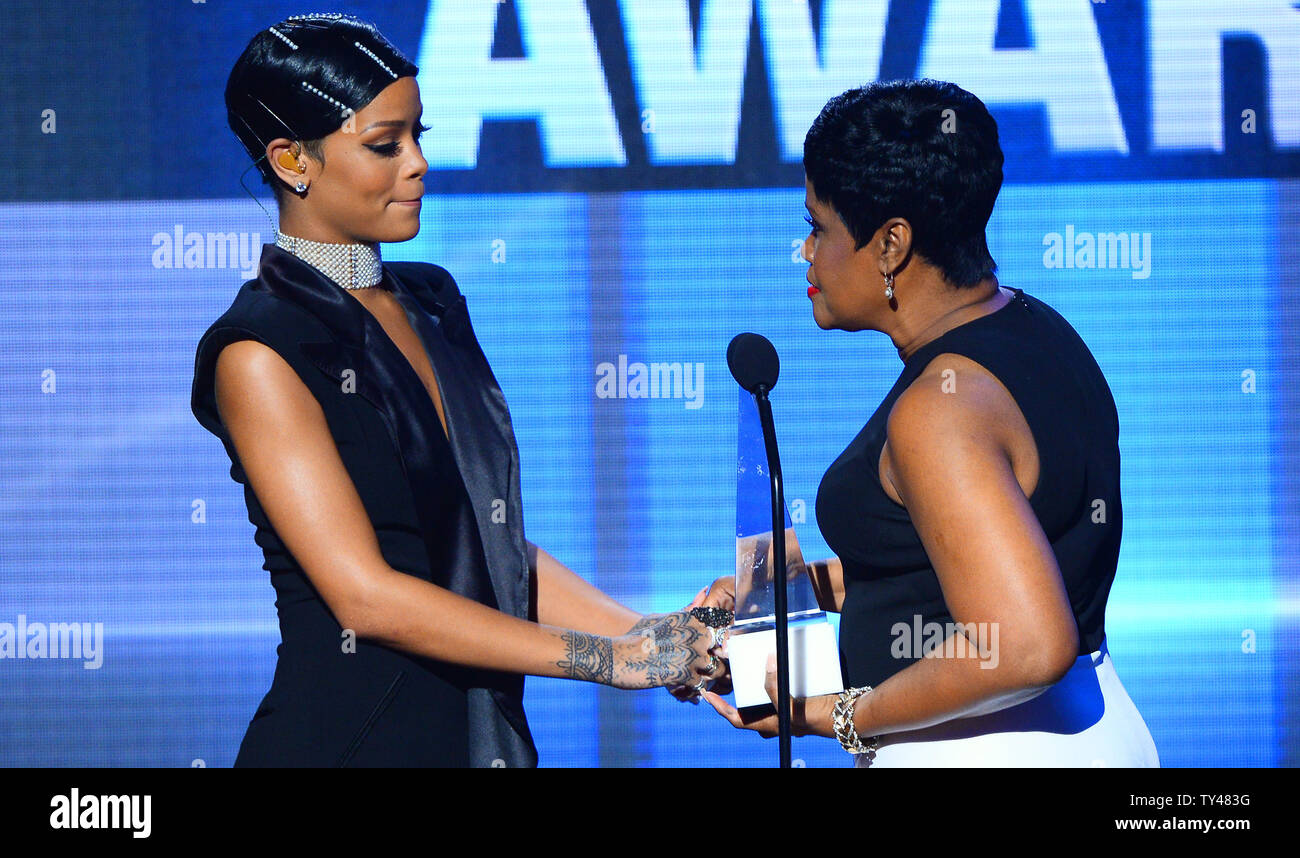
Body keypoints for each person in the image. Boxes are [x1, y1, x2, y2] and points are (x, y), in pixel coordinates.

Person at [192, 13, 717, 768]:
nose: (418, 164)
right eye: (384, 145)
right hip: (352, 742)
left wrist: (638, 633)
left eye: (418, 136)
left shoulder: (432, 299)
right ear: (291, 161)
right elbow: (365, 598)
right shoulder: (260, 350)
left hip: (476, 735)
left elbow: (482, 539)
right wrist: (610, 661)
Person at [698, 79, 1159, 767]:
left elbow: (1027, 644)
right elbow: (947, 568)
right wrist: (794, 593)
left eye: (817, 229)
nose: (807, 255)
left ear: (890, 244)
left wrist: (835, 715)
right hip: (1092, 731)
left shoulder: (940, 408)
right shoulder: (1035, 328)